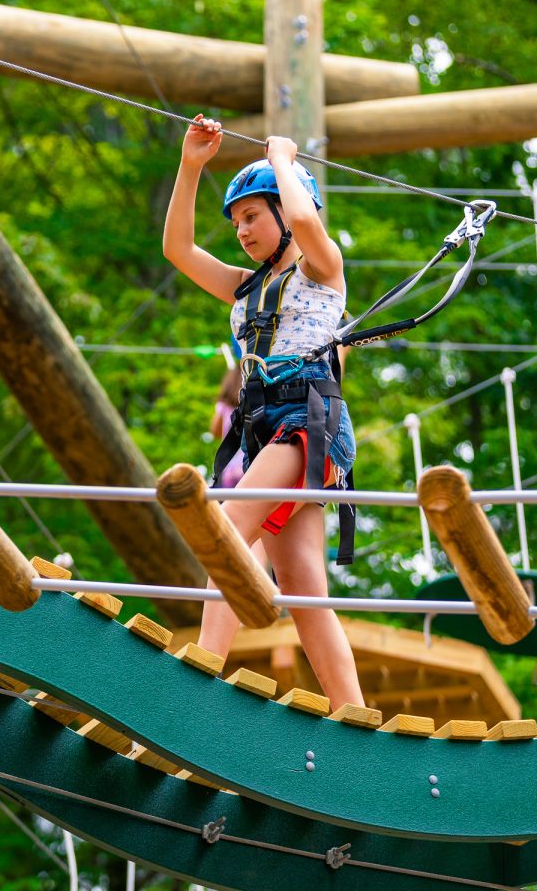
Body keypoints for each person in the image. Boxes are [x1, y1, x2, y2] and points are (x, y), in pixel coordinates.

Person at [162, 116, 362, 711]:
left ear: (284, 207)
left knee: (226, 532)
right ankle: (357, 716)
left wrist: (283, 158)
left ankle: (198, 680)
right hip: (264, 432)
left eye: (252, 215)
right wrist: (191, 165)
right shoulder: (244, 287)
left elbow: (305, 222)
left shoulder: (321, 267)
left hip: (308, 424)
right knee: (303, 591)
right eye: (236, 221)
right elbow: (177, 249)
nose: (242, 230)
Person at [210, 367, 245, 488]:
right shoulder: (255, 407)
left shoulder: (223, 407)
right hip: (249, 465)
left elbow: (215, 432)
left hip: (230, 467)